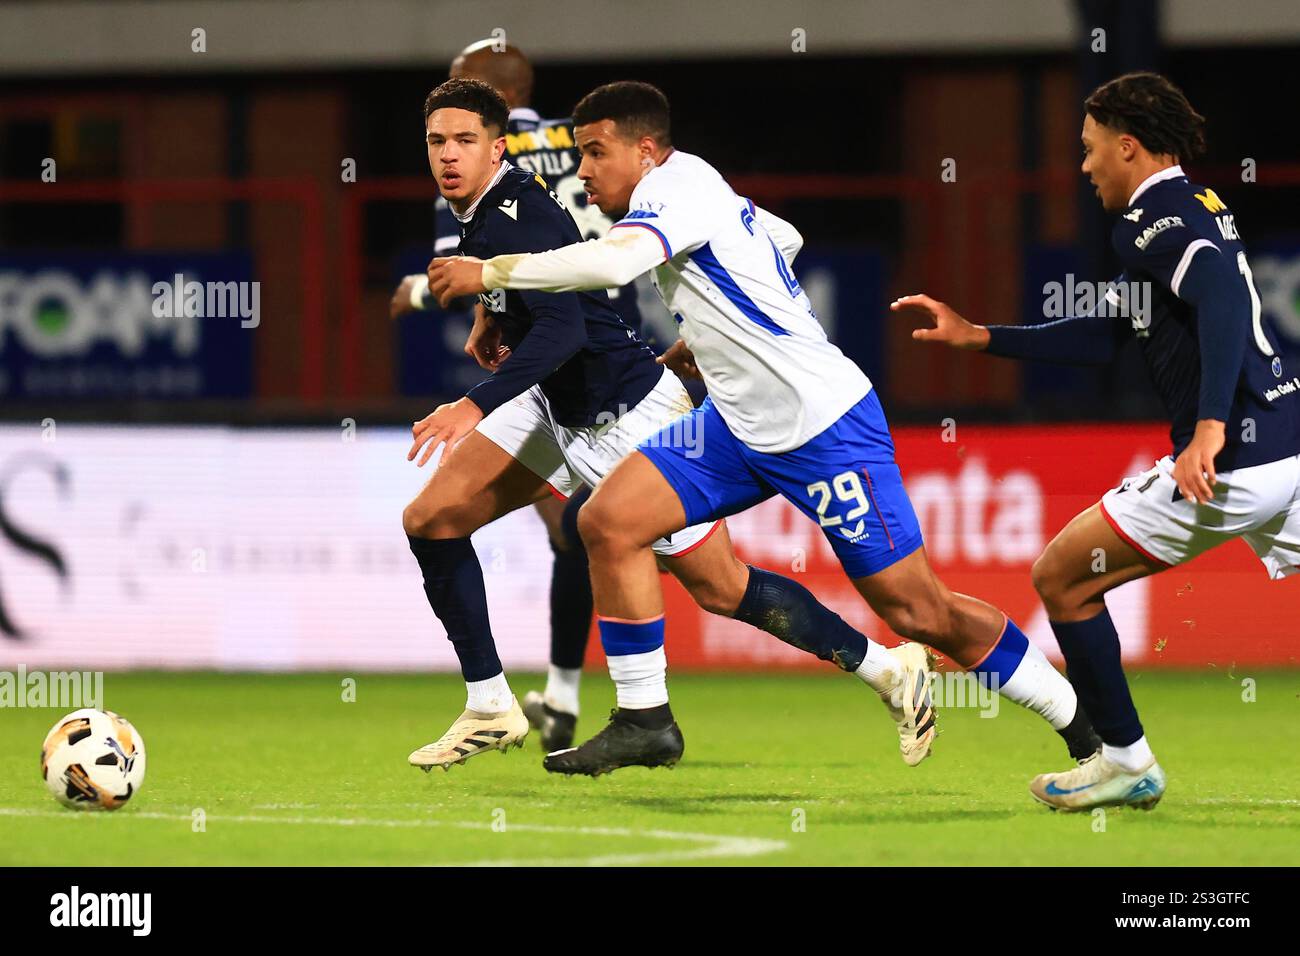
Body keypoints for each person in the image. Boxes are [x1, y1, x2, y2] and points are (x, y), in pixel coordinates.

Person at [427, 81, 1102, 778]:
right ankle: (643, 720)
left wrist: (491, 273)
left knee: (921, 612)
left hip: (823, 426)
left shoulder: (674, 191)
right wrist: (717, 331)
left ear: (647, 150)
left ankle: (1084, 728)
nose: (584, 171)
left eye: (596, 153)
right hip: (734, 424)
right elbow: (782, 236)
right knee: (607, 521)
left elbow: (612, 263)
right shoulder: (694, 189)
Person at [893, 72, 1300, 811]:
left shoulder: (1150, 222)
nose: (1083, 167)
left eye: (1089, 151)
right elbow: (1104, 334)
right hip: (1288, 443)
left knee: (1061, 579)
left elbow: (1217, 294)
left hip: (1236, 459)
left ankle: (1124, 760)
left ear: (1128, 146)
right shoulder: (1197, 204)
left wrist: (1209, 425)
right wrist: (982, 337)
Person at [390, 40, 647, 752]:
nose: (447, 148)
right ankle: (514, 701)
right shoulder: (582, 145)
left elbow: (462, 271)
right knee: (441, 518)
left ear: (488, 119)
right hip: (566, 357)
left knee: (709, 579)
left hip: (602, 378)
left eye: (460, 128)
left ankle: (877, 663)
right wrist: (495, 308)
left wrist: (426, 298)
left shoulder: (498, 176)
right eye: (437, 138)